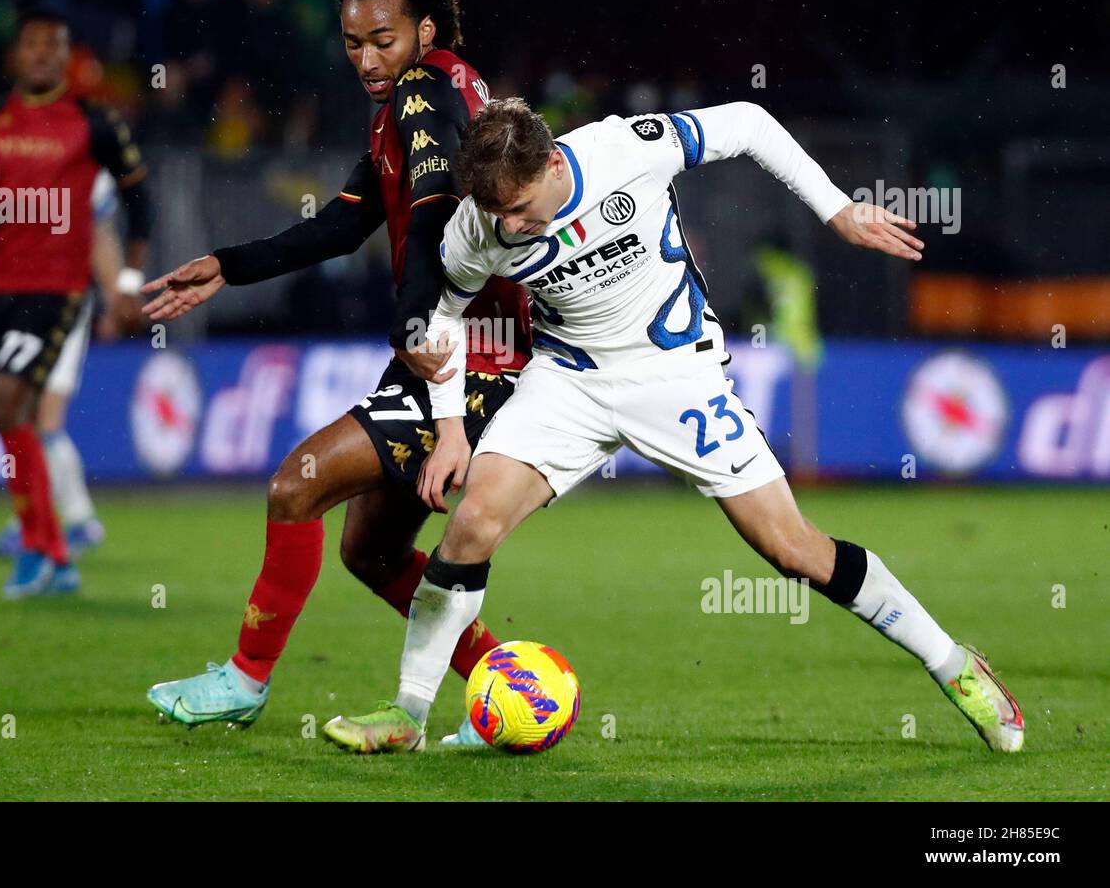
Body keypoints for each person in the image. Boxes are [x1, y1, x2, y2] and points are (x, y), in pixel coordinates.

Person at [323, 98, 1024, 754]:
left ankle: (954, 663)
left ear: (556, 165)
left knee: (793, 549)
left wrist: (836, 210)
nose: (510, 227)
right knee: (472, 520)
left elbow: (748, 121)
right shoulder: (478, 225)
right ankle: (408, 714)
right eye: (498, 213)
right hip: (570, 379)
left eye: (521, 209)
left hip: (673, 373)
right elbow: (444, 315)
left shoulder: (625, 148)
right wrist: (450, 430)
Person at [141, 0, 532, 736]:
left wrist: (414, 322)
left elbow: (431, 204)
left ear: (423, 31)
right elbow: (344, 221)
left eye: (382, 39)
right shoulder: (432, 94)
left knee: (295, 487)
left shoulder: (424, 88)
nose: (366, 58)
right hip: (471, 345)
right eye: (353, 43)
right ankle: (514, 683)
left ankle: (246, 679)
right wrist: (230, 264)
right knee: (373, 553)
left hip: (458, 352)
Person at [0, 9, 152, 598]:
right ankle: (54, 550)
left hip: (59, 290)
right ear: (16, 55)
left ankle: (41, 546)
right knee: (11, 416)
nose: (42, 56)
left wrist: (124, 286)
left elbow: (139, 201)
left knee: (13, 403)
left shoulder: (93, 123)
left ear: (66, 56)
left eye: (54, 47)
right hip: (0, 289)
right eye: (31, 46)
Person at [0, 168, 125, 560]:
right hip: (21, 303)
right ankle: (63, 520)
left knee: (41, 417)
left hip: (61, 302)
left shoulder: (11, 157)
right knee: (29, 416)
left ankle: (54, 523)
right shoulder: (30, 156)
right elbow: (101, 239)